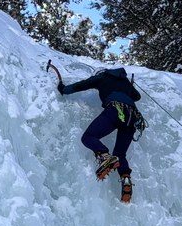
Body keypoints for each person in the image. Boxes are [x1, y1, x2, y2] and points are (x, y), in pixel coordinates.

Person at [55, 63, 143, 204]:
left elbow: (82, 85)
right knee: (120, 154)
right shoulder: (125, 81)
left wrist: (64, 89)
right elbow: (137, 96)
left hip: (115, 110)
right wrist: (129, 86)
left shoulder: (101, 77)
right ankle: (126, 178)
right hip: (132, 117)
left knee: (88, 137)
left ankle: (105, 157)